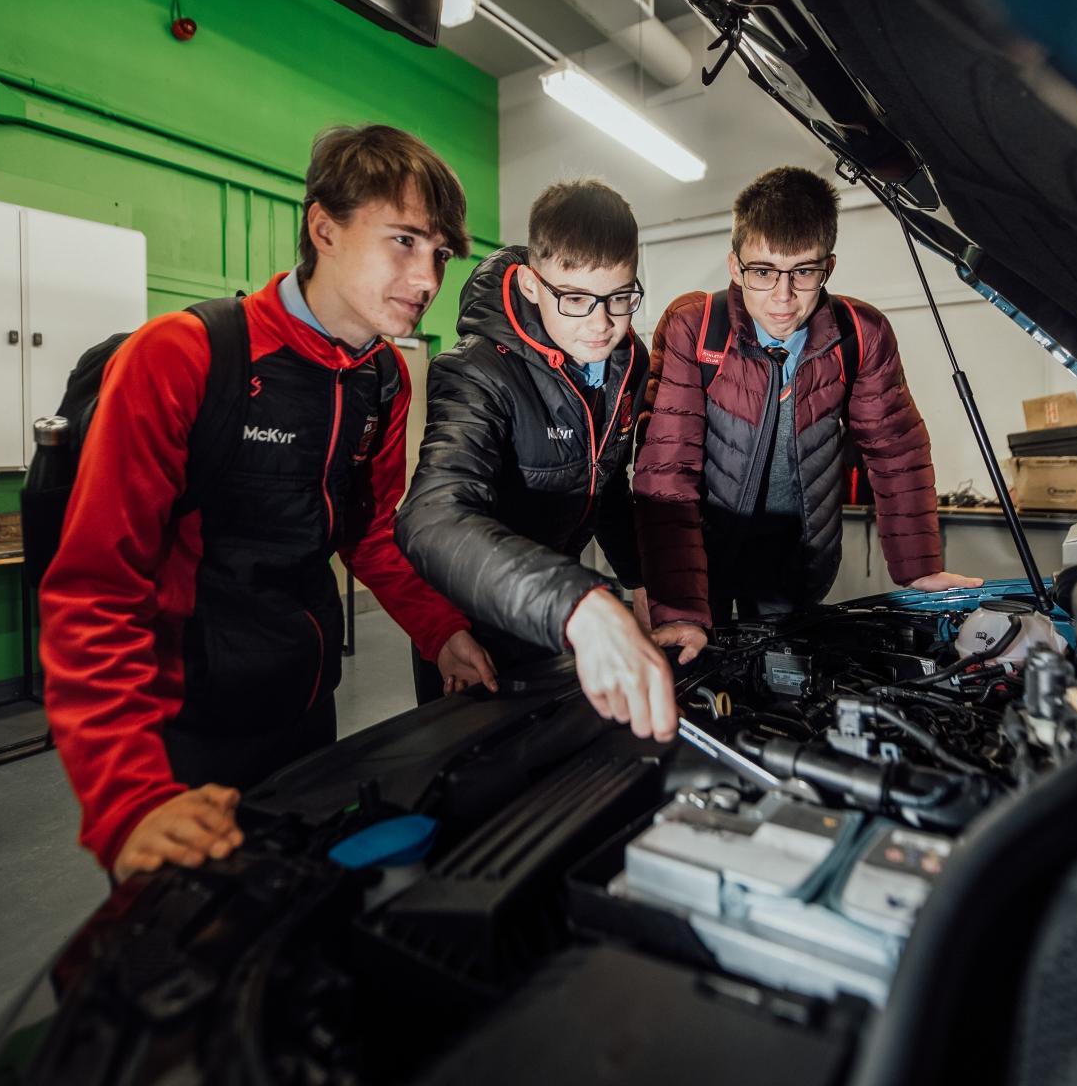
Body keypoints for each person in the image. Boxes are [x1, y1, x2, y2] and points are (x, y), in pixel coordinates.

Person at [41, 124, 493, 880]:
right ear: (324, 228)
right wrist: (129, 801)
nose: (427, 279)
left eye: (440, 253)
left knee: (299, 914)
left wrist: (440, 629)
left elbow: (373, 533)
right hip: (184, 733)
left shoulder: (382, 380)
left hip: (307, 709)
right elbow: (94, 588)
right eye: (405, 241)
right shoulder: (184, 358)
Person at [634, 166, 983, 655]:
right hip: (697, 559)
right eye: (763, 272)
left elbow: (896, 450)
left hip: (796, 563)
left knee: (785, 691)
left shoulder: (860, 334)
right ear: (735, 267)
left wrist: (920, 566)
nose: (783, 296)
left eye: (804, 272)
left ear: (829, 267)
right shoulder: (694, 327)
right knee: (699, 685)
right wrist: (674, 604)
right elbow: (668, 471)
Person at [398, 179, 678, 742]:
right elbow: (432, 514)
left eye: (620, 298)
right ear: (531, 283)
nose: (600, 325)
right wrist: (580, 604)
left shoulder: (626, 360)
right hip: (476, 619)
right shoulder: (476, 371)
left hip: (567, 610)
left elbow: (606, 482)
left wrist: (643, 584)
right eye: (574, 298)